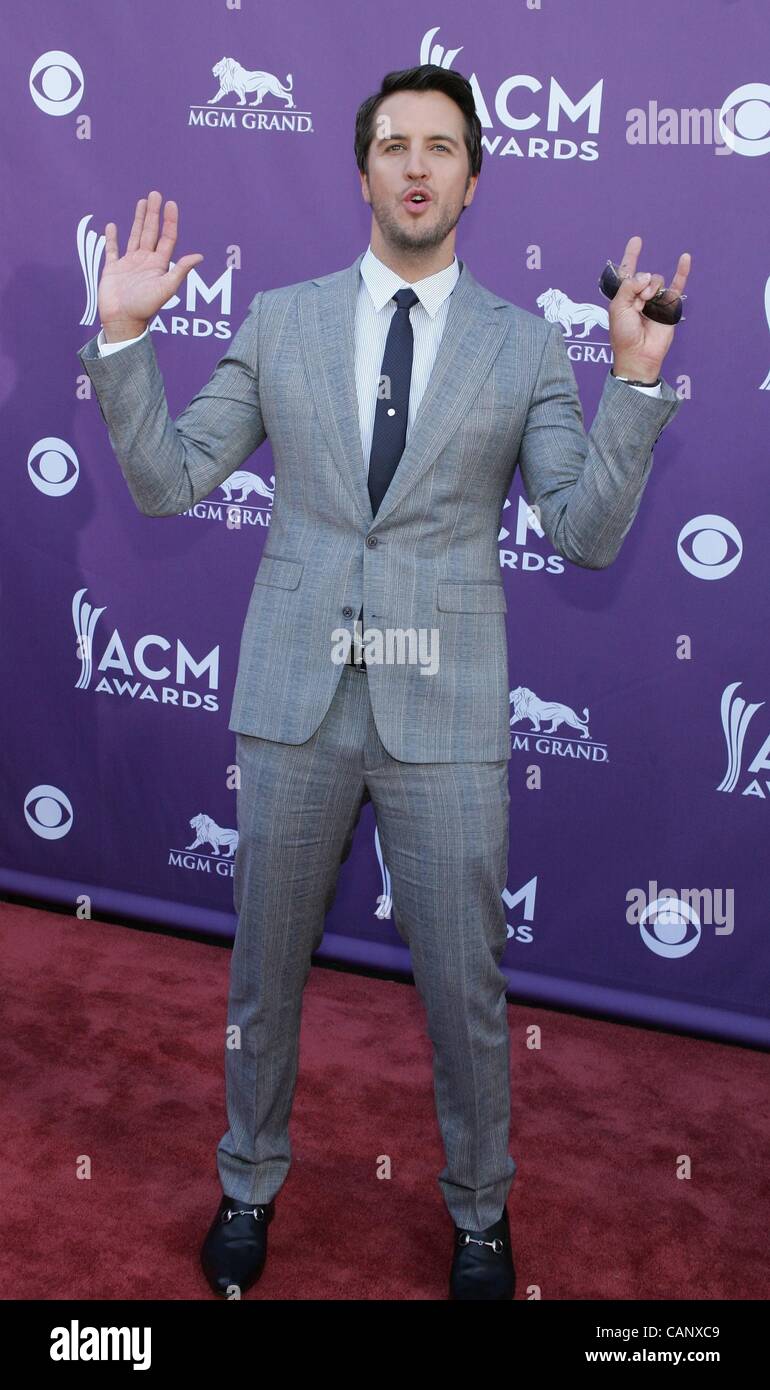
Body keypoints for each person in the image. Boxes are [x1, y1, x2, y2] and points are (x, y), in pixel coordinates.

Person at [77, 63, 688, 1301]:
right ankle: (246, 1181)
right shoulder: (281, 321)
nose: (416, 165)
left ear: (472, 178)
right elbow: (170, 480)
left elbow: (581, 531)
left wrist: (628, 382)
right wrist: (127, 339)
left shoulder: (523, 347)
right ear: (360, 171)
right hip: (294, 697)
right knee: (262, 970)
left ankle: (476, 1215)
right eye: (394, 143)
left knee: (465, 984)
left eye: (442, 147)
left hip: (447, 708)